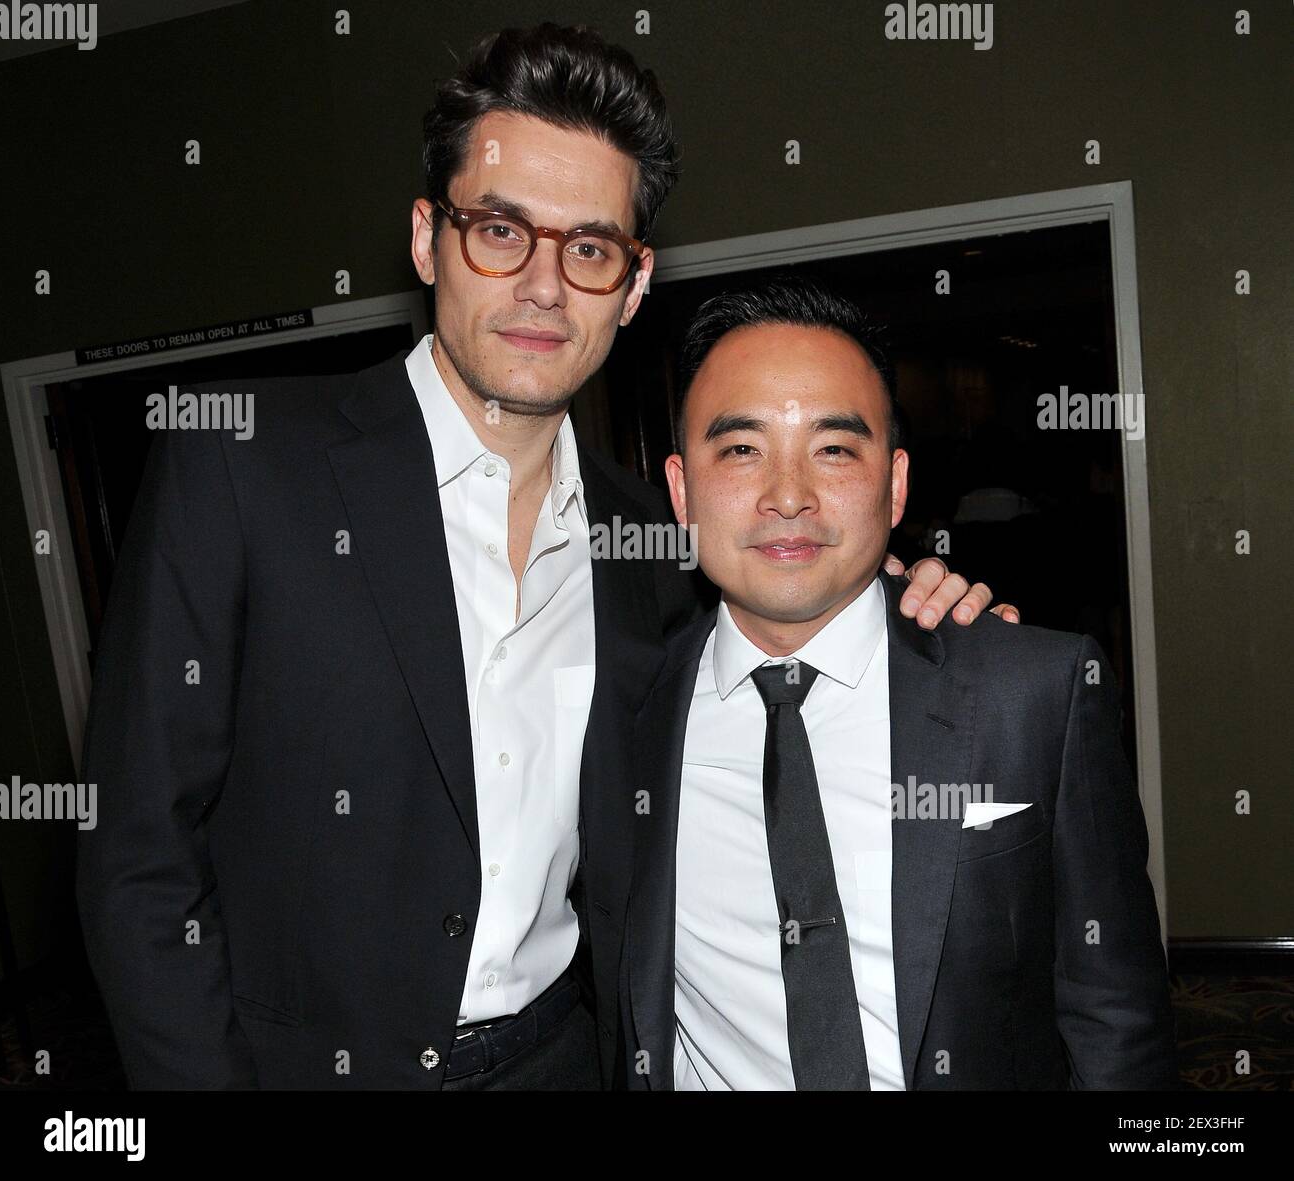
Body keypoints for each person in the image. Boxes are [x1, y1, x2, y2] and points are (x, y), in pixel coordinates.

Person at [75, 25, 1009, 1092]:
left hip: (565, 1058)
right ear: (428, 238)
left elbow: (787, 612)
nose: (542, 285)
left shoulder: (657, 540)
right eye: (500, 231)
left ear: (634, 280)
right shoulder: (242, 465)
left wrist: (915, 608)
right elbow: (137, 854)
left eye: (589, 247)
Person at [621, 275, 1178, 1090]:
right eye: (742, 449)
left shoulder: (1032, 692)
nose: (788, 497)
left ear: (895, 484)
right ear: (680, 490)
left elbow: (1117, 1023)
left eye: (835, 449)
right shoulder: (624, 715)